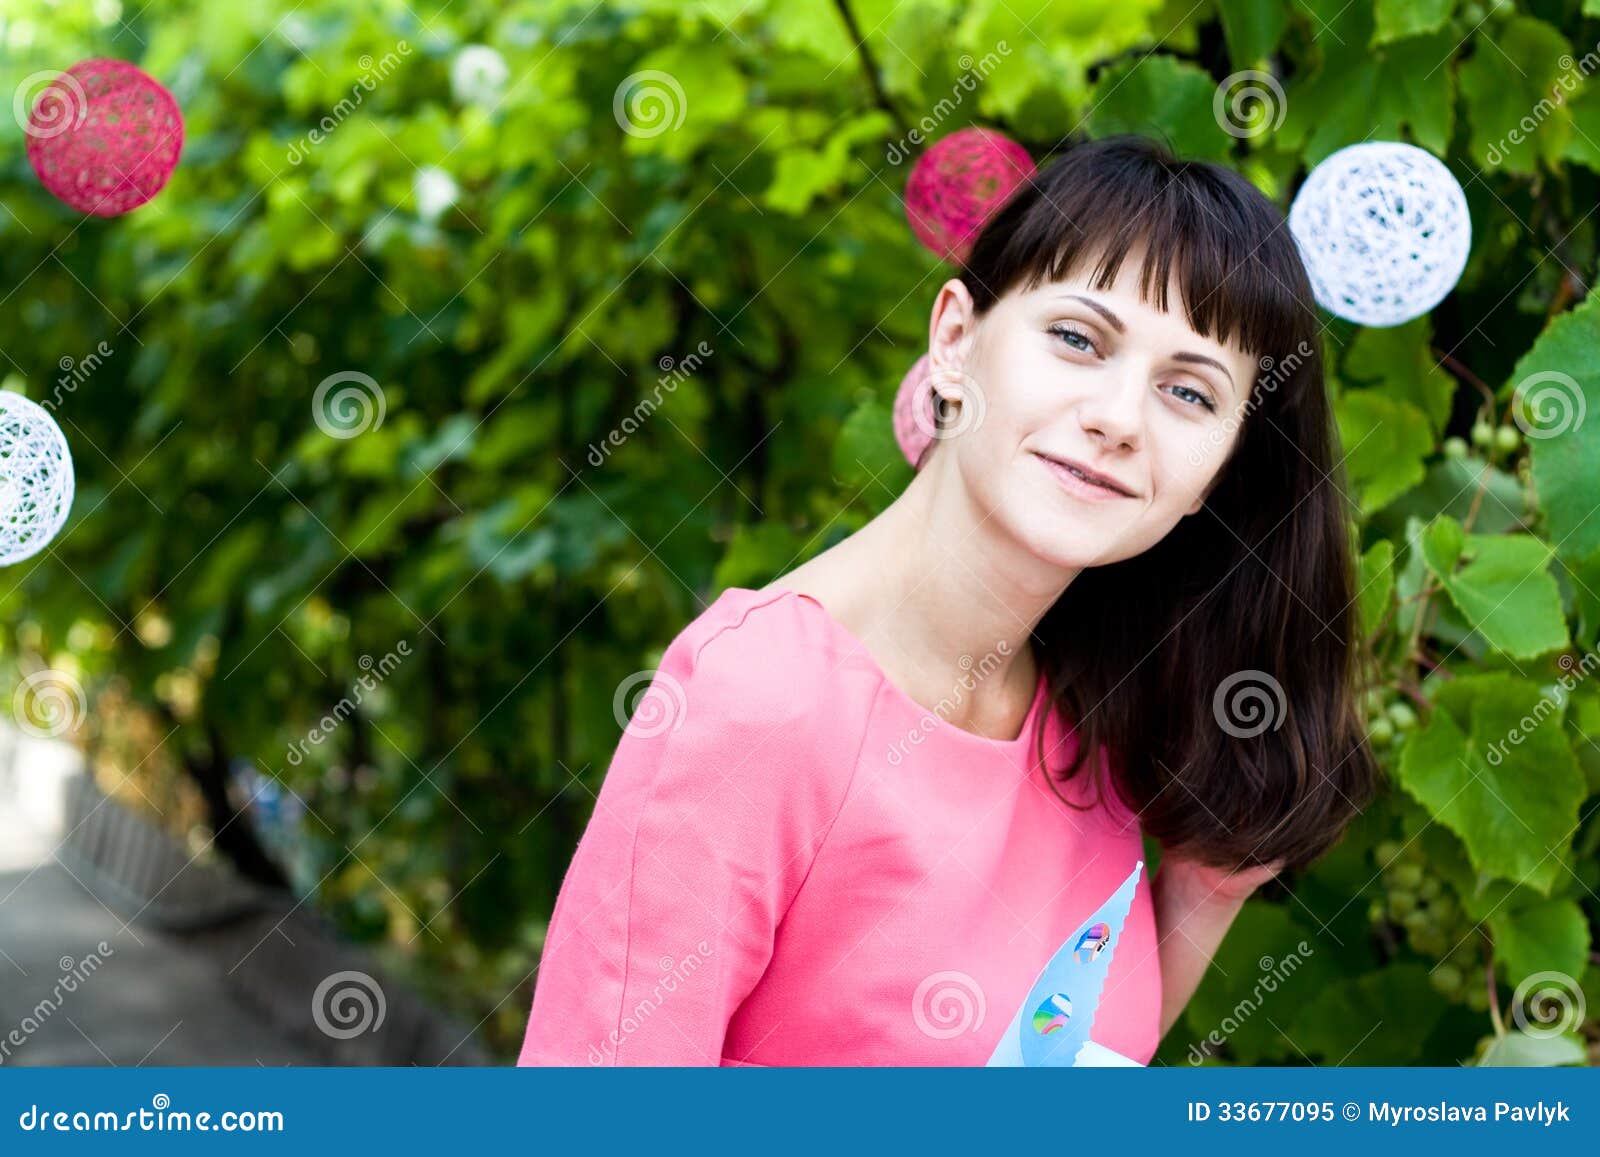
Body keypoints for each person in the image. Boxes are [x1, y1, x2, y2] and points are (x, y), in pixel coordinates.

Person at [517, 133, 1379, 1066]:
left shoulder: (1094, 715)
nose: (1119, 419)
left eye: (1188, 392)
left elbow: (1050, 1065)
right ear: (956, 340)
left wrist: (1204, 899)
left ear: (1219, 471)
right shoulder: (761, 701)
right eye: (1078, 339)